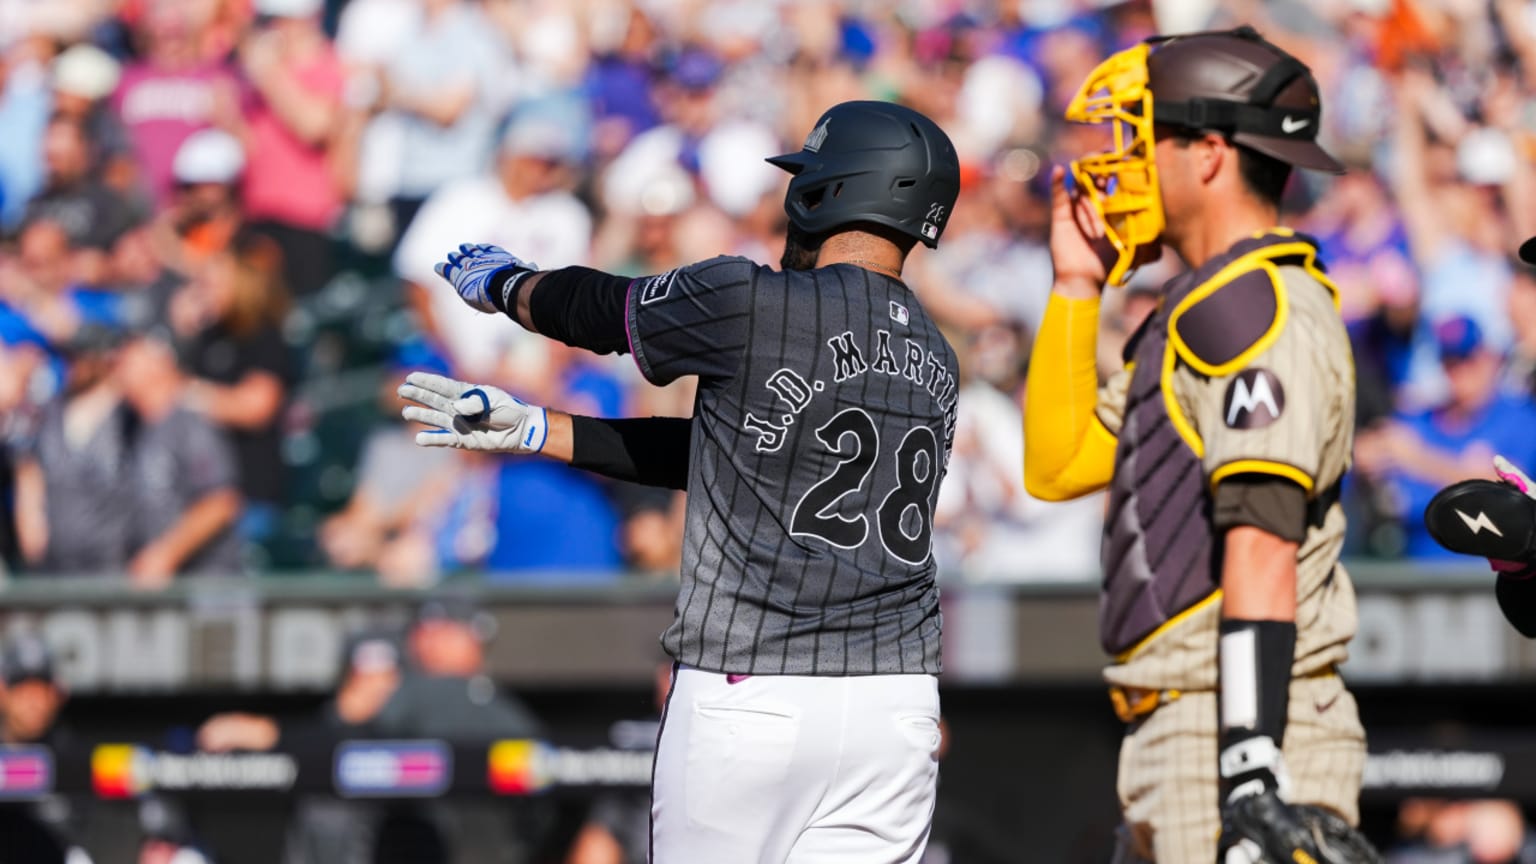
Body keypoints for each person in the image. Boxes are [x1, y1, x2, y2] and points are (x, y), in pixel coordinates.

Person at [401, 100, 960, 862]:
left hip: (756, 685)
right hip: (896, 705)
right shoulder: (937, 353)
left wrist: (504, 285)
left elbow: (602, 312)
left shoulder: (755, 300)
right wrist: (540, 429)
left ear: (828, 190)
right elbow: (722, 453)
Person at [1023, 27, 1372, 864]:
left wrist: (1250, 766)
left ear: (1210, 153)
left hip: (1244, 724)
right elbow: (1059, 465)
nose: (1124, 161)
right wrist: (1076, 286)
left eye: (1145, 137)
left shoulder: (1257, 308)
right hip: (1179, 725)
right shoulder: (1197, 307)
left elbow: (1261, 541)